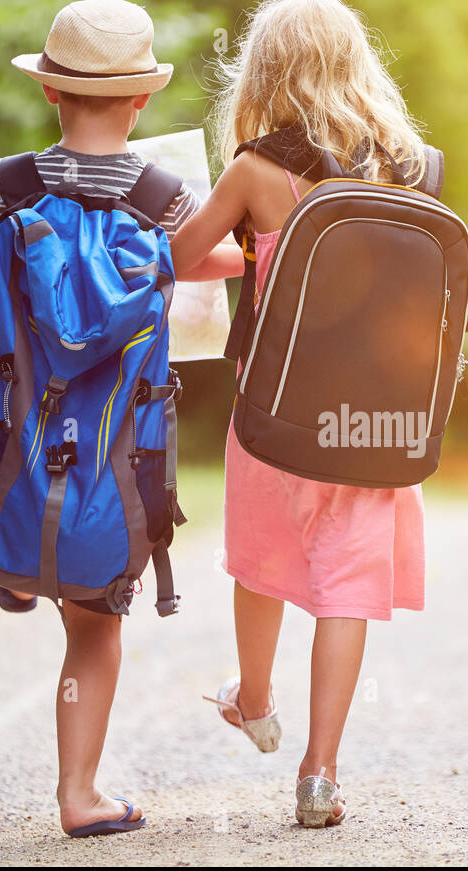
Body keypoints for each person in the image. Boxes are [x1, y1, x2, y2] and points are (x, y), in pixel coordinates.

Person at [0, 0, 240, 837]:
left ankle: (19, 568)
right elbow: (219, 258)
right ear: (141, 102)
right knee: (93, 631)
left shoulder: (11, 191)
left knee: (30, 545)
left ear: (51, 93)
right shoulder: (163, 200)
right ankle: (79, 795)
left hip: (11, 461)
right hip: (113, 476)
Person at [171, 0, 433, 828]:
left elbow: (182, 259)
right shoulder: (410, 167)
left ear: (264, 74)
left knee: (262, 556)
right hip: (376, 420)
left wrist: (245, 237)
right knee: (348, 582)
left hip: (277, 410)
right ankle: (319, 774)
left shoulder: (257, 169)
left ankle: (254, 700)